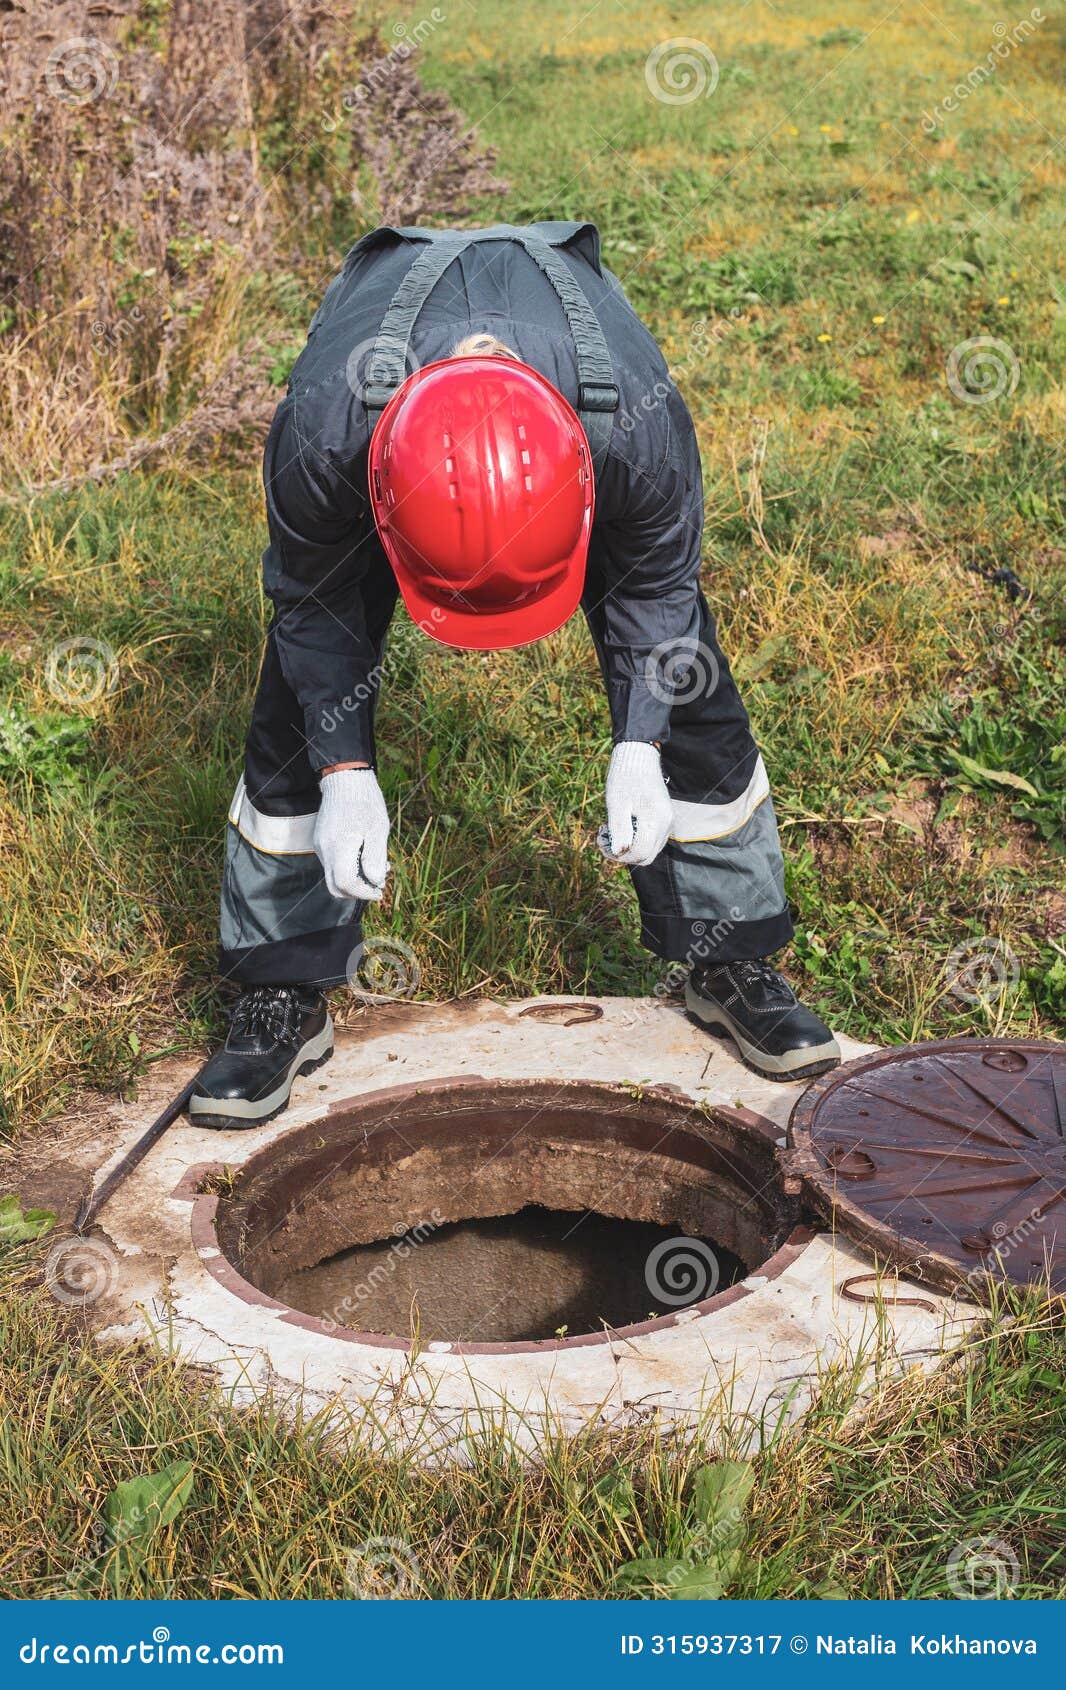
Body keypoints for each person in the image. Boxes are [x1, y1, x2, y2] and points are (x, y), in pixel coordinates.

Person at [190, 221, 840, 1128]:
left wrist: (641, 745)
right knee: (302, 689)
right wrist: (342, 772)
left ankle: (729, 957)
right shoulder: (325, 434)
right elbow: (314, 610)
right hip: (371, 428)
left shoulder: (636, 425)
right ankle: (281, 987)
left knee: (684, 676)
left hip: (589, 422)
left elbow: (656, 592)